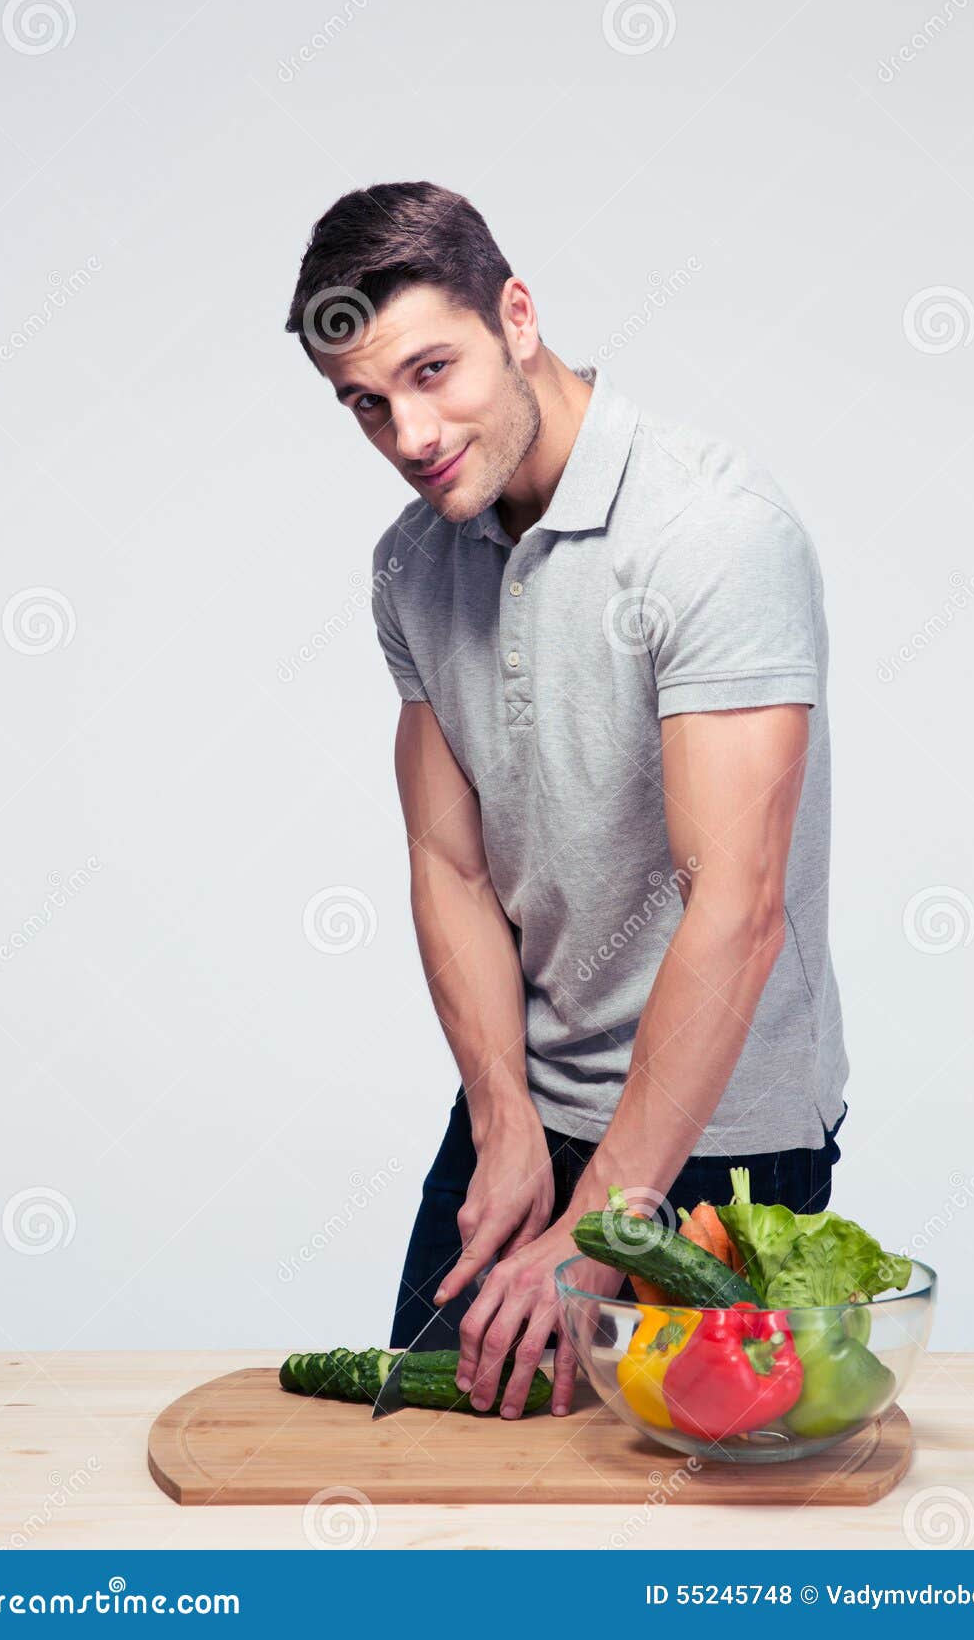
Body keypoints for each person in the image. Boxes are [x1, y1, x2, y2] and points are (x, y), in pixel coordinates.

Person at [285, 180, 849, 1419]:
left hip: (719, 1136)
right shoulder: (411, 564)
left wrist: (611, 1217)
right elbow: (451, 866)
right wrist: (501, 1116)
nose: (411, 431)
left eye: (435, 369)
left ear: (518, 317)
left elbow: (738, 907)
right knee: (420, 1483)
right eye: (367, 405)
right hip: (526, 1113)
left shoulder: (711, 532)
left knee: (652, 1530)